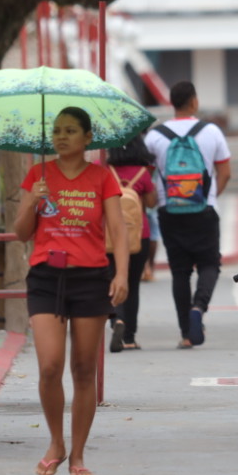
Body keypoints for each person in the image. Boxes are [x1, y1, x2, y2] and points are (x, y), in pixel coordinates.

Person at [12, 106, 126, 475]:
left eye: (71, 130)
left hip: (90, 279)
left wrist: (122, 274)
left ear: (88, 137)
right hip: (46, 279)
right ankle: (56, 443)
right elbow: (21, 233)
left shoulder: (102, 177)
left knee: (83, 368)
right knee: (49, 365)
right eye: (57, 130)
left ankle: (77, 453)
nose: (61, 137)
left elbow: (118, 229)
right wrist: (32, 200)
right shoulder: (38, 175)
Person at [145, 81, 232, 349]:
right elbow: (225, 172)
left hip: (169, 211)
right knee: (209, 264)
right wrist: (210, 196)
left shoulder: (154, 136)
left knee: (180, 272)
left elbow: (146, 177)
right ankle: (199, 307)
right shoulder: (211, 131)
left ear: (172, 103)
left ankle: (186, 333)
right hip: (204, 210)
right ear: (194, 101)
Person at [105, 133, 158, 352]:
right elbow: (152, 203)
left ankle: (116, 318)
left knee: (112, 280)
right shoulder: (142, 173)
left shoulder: (105, 172)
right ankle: (129, 338)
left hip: (109, 235)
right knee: (132, 285)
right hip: (138, 236)